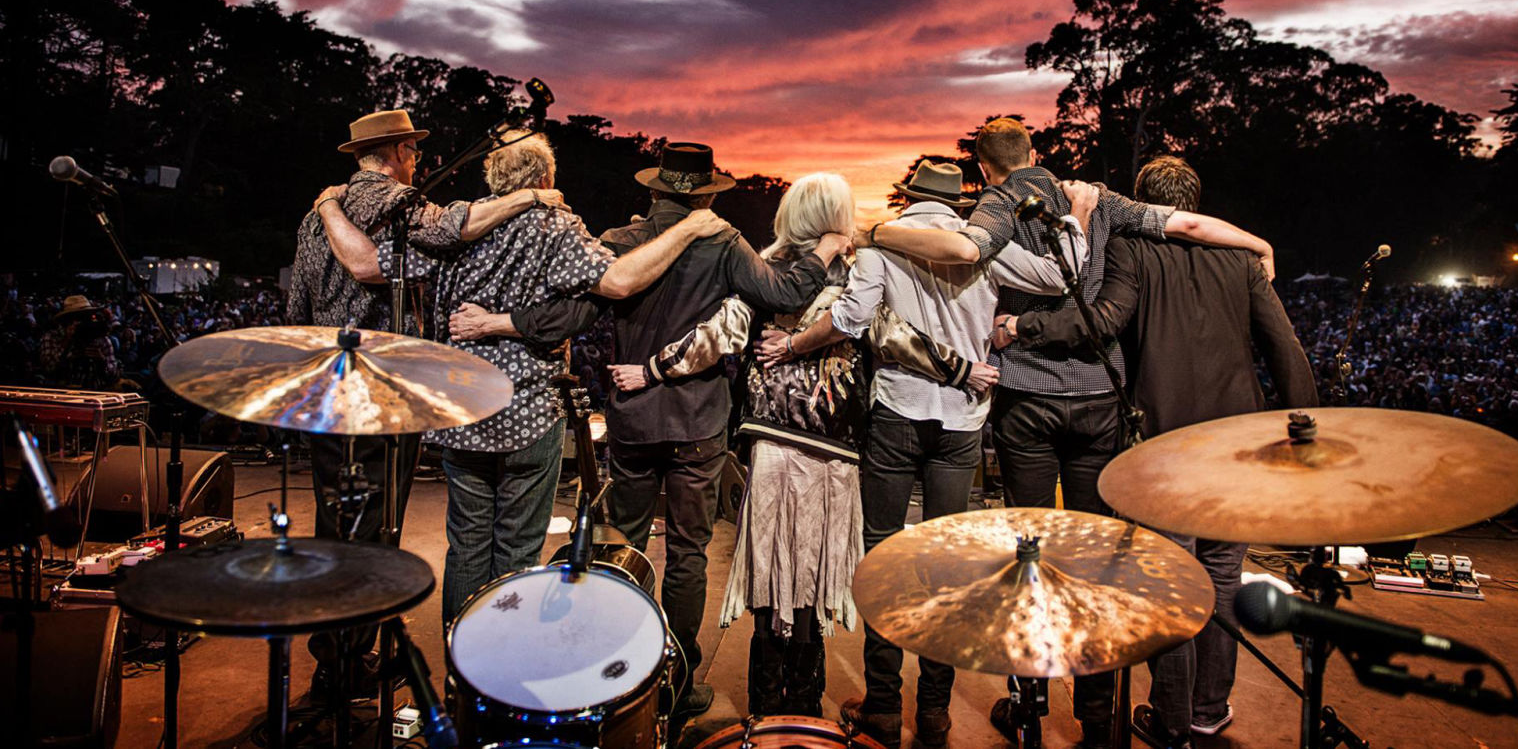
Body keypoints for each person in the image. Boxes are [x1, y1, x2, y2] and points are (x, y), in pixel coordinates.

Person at [858, 119, 1274, 748]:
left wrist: (879, 230)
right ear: (1036, 154)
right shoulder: (1100, 198)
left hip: (1027, 404)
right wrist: (1258, 245)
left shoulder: (995, 203)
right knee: (1093, 560)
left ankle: (1027, 702)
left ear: (985, 168)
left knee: (1030, 554)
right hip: (1100, 403)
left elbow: (969, 252)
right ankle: (1099, 715)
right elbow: (1187, 225)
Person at [317, 131, 731, 630]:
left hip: (463, 411)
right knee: (516, 547)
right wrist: (686, 231)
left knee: (467, 543)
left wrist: (328, 209)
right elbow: (620, 281)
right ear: (544, 179)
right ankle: (500, 669)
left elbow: (366, 264)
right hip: (527, 413)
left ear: (494, 177)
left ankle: (460, 668)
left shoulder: (458, 226)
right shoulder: (556, 226)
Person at [757, 160, 1080, 749]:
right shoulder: (983, 246)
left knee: (884, 559)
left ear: (906, 198)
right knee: (946, 565)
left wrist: (796, 343)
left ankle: (882, 707)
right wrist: (1075, 220)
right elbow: (1061, 278)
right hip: (962, 420)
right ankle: (934, 712)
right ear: (960, 205)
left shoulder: (886, 245)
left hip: (897, 416)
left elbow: (852, 320)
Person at [997, 156, 1317, 746]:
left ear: (1147, 203)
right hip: (1238, 443)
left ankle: (1170, 718)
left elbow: (1107, 318)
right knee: (1222, 572)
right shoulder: (1242, 258)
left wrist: (1023, 328)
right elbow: (1283, 346)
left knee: (1170, 579)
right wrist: (1306, 427)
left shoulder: (1132, 248)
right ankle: (1208, 708)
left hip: (1166, 443)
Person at [285, 108, 544, 699]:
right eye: (413, 150)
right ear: (398, 150)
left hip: (326, 387)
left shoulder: (312, 217)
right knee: (374, 531)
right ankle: (351, 666)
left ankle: (339, 657)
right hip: (378, 391)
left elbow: (297, 305)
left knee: (337, 527)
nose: (419, 161)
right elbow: (458, 225)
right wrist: (532, 196)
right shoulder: (396, 204)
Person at [595, 142, 852, 725]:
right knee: (687, 554)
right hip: (697, 421)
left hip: (633, 416)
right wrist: (825, 254)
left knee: (624, 548)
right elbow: (785, 295)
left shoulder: (621, 241)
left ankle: (618, 678)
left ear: (656, 188)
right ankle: (680, 686)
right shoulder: (723, 241)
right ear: (708, 194)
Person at [38, 295, 120, 390]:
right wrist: (67, 345)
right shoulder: (52, 337)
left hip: (94, 394)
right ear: (67, 320)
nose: (80, 323)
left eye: (84, 317)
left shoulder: (101, 340)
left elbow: (114, 377)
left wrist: (101, 361)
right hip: (61, 392)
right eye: (76, 318)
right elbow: (48, 369)